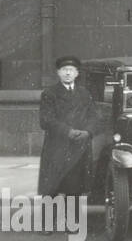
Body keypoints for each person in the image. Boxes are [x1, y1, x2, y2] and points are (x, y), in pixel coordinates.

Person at [38, 56, 107, 200]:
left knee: (74, 189)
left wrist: (87, 132)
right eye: (64, 70)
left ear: (77, 73)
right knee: (52, 189)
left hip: (79, 147)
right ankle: (49, 222)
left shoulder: (84, 94)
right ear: (58, 73)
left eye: (71, 70)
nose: (68, 73)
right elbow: (46, 120)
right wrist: (67, 132)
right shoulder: (49, 93)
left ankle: (73, 222)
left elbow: (94, 117)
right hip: (57, 147)